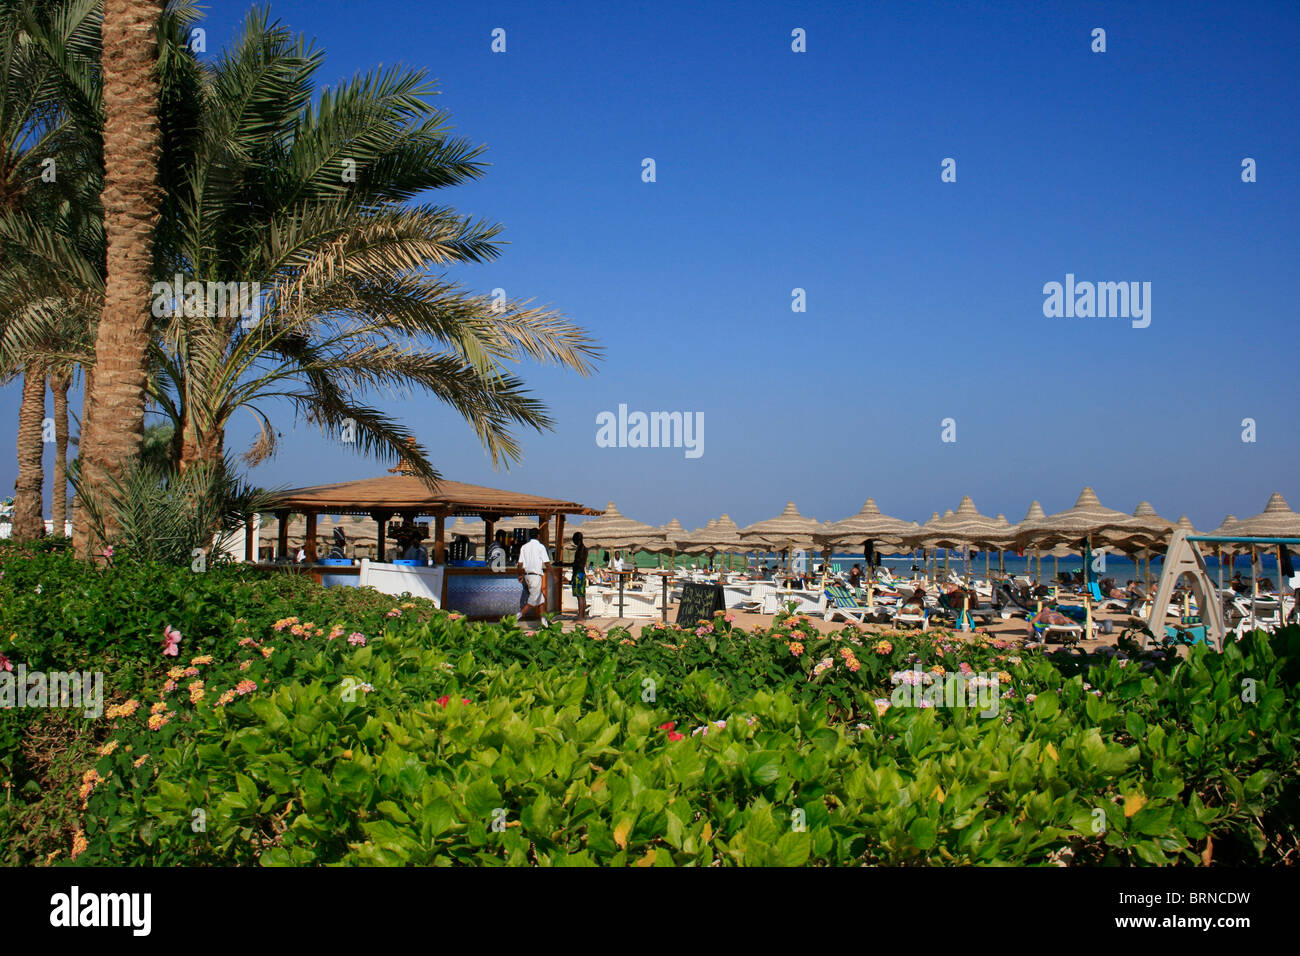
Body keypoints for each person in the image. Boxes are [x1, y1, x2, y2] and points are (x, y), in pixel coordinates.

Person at [517, 528, 550, 622]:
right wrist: (553, 575)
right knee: (532, 601)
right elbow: (547, 562)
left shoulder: (524, 547)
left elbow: (520, 564)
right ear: (538, 536)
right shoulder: (540, 547)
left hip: (527, 575)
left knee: (541, 600)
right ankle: (516, 617)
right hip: (535, 576)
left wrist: (519, 575)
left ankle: (544, 622)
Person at [567, 531, 590, 621]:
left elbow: (578, 563)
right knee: (582, 596)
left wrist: (567, 565)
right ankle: (582, 616)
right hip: (581, 573)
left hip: (578, 574)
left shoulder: (580, 550)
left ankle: (580, 617)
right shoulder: (584, 549)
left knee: (579, 596)